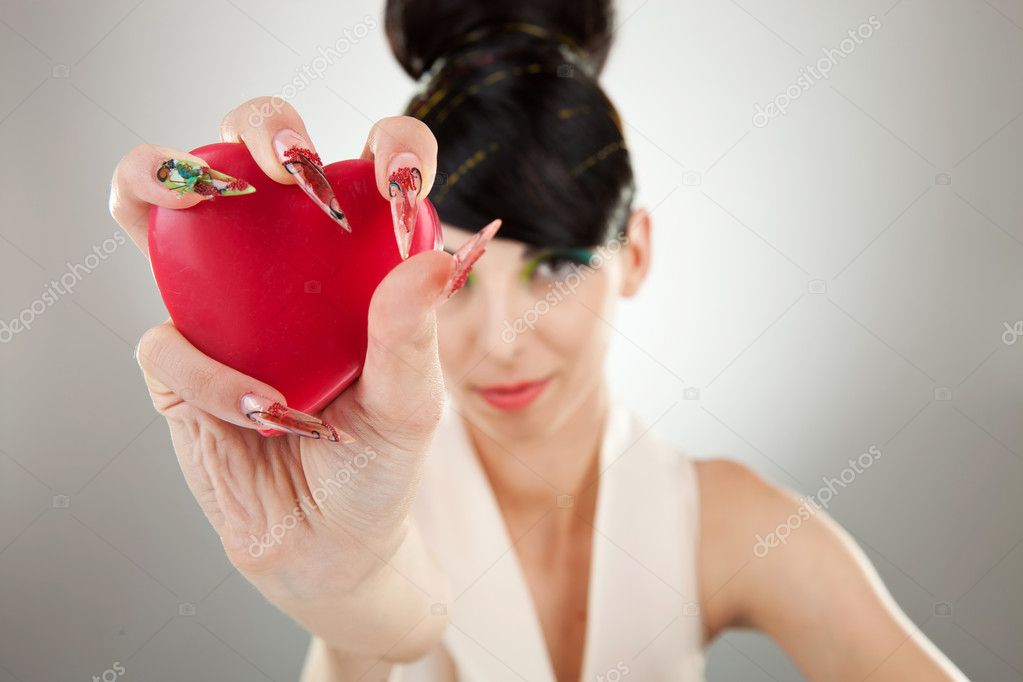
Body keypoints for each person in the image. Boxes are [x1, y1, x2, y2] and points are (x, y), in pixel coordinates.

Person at [108, 0, 967, 679]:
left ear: (634, 254)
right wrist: (345, 583)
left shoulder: (733, 525)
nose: (499, 344)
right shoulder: (364, 501)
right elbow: (391, 617)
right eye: (453, 276)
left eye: (554, 267)